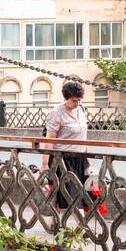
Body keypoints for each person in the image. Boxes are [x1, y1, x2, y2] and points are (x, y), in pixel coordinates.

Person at [40, 80, 89, 210]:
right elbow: (49, 139)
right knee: (69, 195)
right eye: (74, 100)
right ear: (66, 98)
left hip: (80, 158)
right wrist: (45, 164)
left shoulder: (81, 110)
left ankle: (55, 224)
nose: (77, 103)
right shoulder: (57, 113)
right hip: (62, 158)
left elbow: (84, 137)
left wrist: (88, 160)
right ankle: (80, 228)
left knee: (82, 194)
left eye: (79, 100)